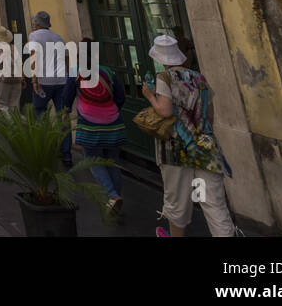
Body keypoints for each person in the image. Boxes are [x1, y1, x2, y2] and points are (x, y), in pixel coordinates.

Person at [143, 34, 235, 237]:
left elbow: (165, 111)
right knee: (214, 203)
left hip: (176, 151)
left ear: (160, 59)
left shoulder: (164, 78)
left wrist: (150, 96)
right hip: (205, 149)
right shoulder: (200, 78)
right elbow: (210, 116)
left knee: (178, 202)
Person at [62, 39, 127, 213]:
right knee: (113, 162)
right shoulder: (108, 71)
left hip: (90, 126)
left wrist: (65, 112)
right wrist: (110, 112)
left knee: (93, 161)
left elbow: (67, 98)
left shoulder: (75, 72)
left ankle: (113, 196)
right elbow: (121, 97)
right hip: (114, 125)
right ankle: (115, 202)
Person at [29, 11, 73, 167]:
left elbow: (34, 58)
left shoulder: (34, 36)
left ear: (37, 24)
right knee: (63, 116)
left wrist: (34, 80)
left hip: (44, 81)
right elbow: (67, 60)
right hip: (62, 81)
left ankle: (45, 149)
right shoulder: (58, 37)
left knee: (40, 113)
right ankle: (66, 154)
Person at [0, 25, 24, 113]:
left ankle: (8, 125)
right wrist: (22, 78)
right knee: (14, 106)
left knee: (2, 106)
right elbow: (19, 64)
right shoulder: (14, 47)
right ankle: (16, 125)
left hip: (3, 79)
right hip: (17, 79)